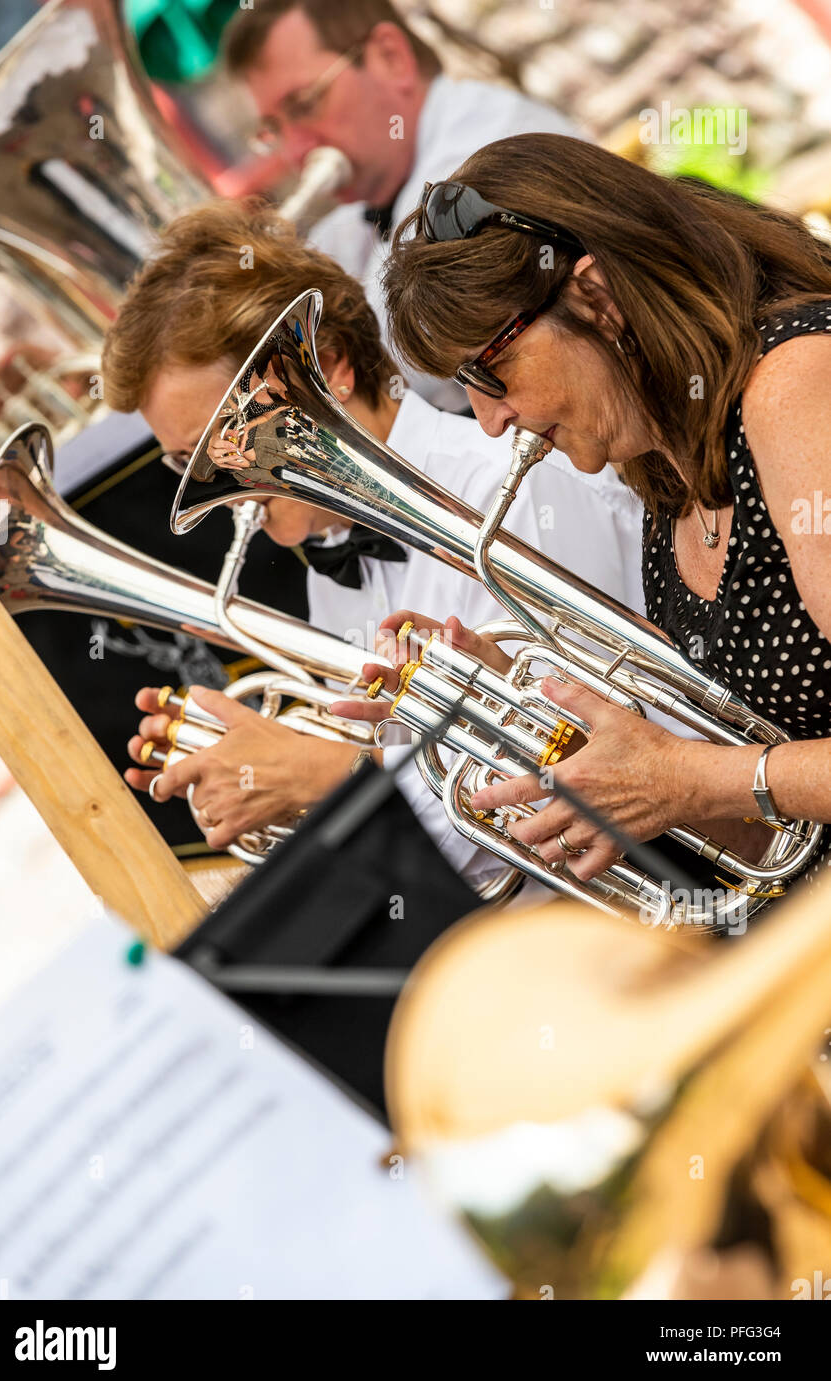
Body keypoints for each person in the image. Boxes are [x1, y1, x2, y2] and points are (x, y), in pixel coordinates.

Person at [100, 197, 643, 890]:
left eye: (223, 441)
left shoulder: (509, 483)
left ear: (327, 368)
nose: (219, 488)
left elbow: (595, 778)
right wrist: (253, 769)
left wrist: (325, 777)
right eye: (189, 463)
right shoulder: (331, 565)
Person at [360, 131, 831, 896]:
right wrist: (558, 739)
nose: (488, 420)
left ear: (596, 296)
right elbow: (776, 836)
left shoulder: (794, 390)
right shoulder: (660, 481)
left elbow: (724, 781)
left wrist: (690, 776)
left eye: (491, 367)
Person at [221, 0, 581, 409]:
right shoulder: (368, 204)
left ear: (391, 58)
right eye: (274, 129)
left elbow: (400, 359)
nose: (295, 149)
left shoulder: (487, 152)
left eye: (304, 105)